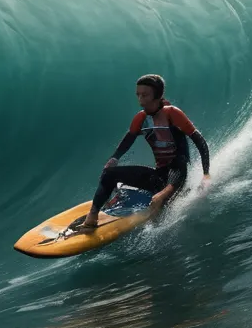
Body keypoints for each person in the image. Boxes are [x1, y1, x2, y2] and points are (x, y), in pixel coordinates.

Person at [77, 74, 210, 231]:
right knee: (109, 174)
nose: (140, 99)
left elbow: (200, 141)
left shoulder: (172, 113)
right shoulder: (141, 118)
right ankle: (92, 217)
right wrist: (114, 158)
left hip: (177, 176)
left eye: (145, 95)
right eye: (138, 94)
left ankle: (163, 196)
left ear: (157, 95)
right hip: (158, 177)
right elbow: (128, 140)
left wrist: (206, 173)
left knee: (178, 161)